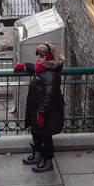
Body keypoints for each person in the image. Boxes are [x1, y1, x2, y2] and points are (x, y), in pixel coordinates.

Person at [24, 43, 65, 173]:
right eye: (37, 55)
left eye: (42, 55)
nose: (38, 58)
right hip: (37, 108)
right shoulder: (44, 69)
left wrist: (41, 114)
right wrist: (25, 66)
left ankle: (48, 161)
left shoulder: (51, 74)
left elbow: (49, 96)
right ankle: (37, 154)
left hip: (47, 112)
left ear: (49, 57)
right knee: (35, 131)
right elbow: (37, 70)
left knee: (46, 136)